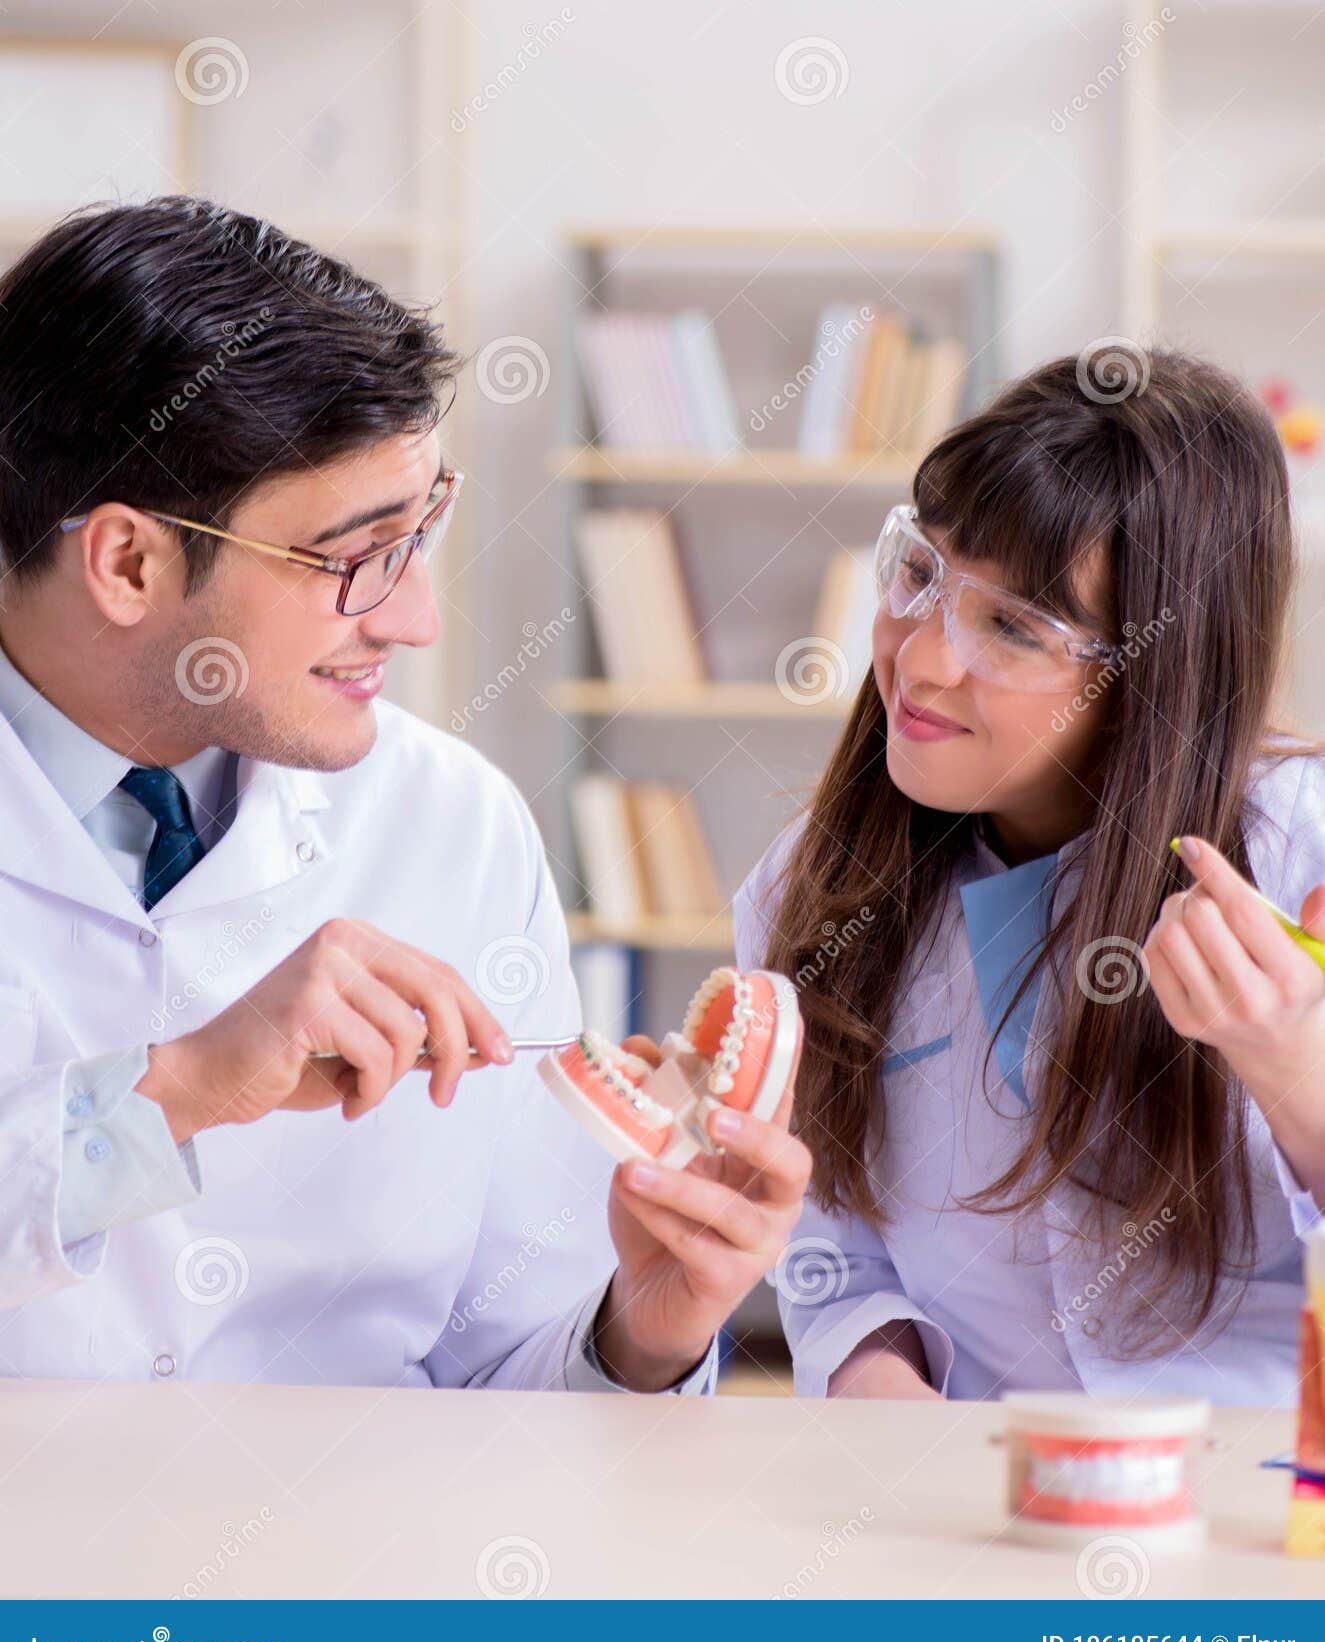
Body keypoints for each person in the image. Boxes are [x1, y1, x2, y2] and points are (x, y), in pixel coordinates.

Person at [0, 196, 810, 1393]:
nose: (416, 618)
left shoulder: (454, 825)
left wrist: (640, 1334)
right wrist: (172, 1089)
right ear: (129, 561)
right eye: (355, 558)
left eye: (421, 530)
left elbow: (511, 1373)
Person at [737, 346, 1325, 1405]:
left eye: (1011, 627)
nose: (920, 660)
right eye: (918, 573)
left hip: (1257, 1506)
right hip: (957, 1504)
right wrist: (908, 1466)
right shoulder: (806, 894)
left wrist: (1290, 1062)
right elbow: (837, 1267)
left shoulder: (1304, 858)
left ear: (1158, 673)